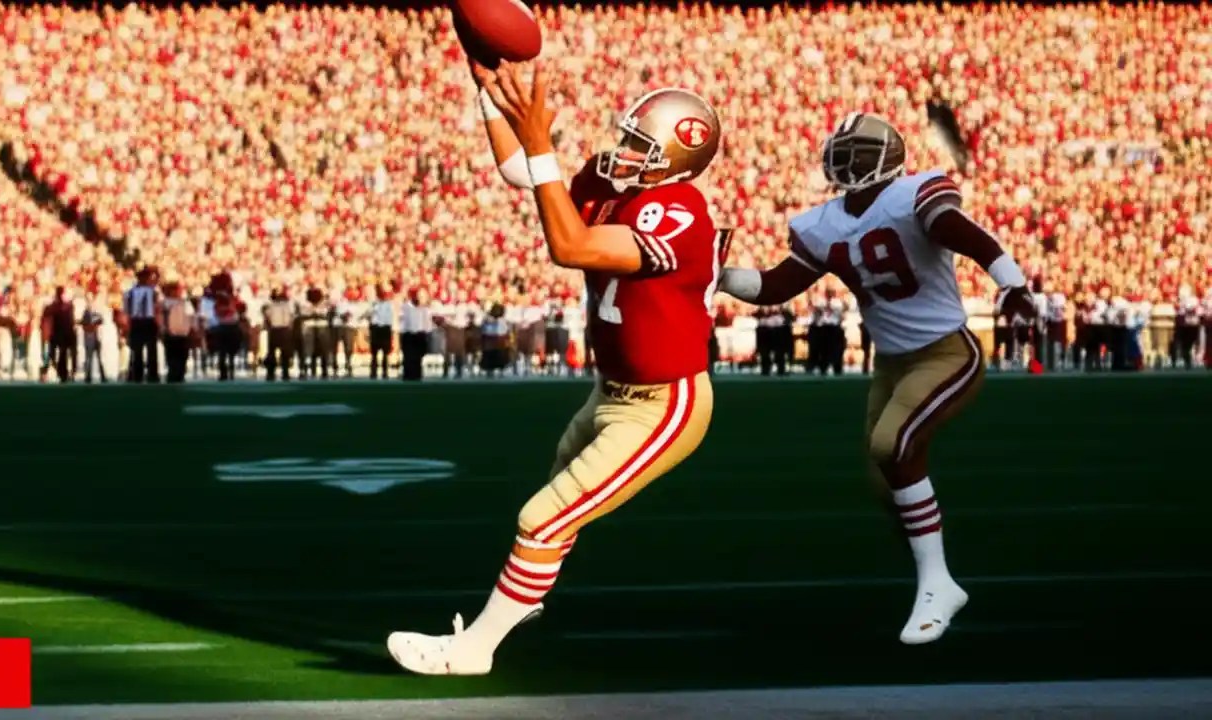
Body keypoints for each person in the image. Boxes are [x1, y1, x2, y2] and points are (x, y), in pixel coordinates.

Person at [387, 60, 726, 675]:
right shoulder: (613, 182)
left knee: (542, 516)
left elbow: (572, 247)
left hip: (663, 405)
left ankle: (474, 650)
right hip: (609, 391)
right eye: (627, 137)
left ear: (677, 159)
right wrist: (493, 100)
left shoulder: (680, 212)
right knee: (555, 505)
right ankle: (524, 598)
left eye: (641, 146)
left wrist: (542, 144)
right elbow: (525, 172)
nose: (622, 152)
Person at [719, 113, 1037, 645]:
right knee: (883, 479)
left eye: (860, 152)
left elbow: (966, 235)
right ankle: (928, 557)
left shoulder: (914, 195)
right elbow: (777, 284)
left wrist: (1011, 283)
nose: (848, 161)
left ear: (888, 157)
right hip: (890, 363)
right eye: (844, 151)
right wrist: (719, 277)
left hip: (945, 353)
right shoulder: (823, 223)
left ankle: (938, 583)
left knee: (893, 444)